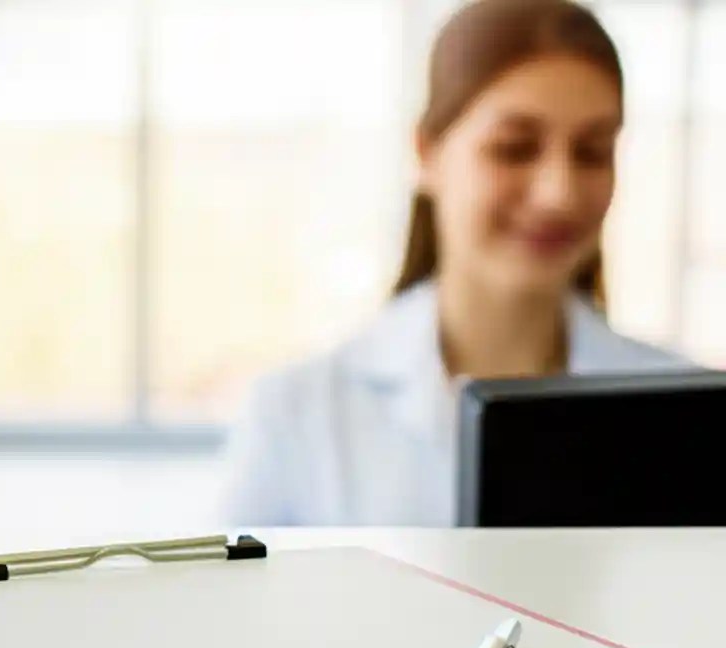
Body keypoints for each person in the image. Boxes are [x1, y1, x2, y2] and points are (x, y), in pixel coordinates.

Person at [221, 0, 695, 528]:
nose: (559, 194)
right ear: (427, 153)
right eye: (514, 149)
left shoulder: (690, 417)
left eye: (591, 152)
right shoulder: (295, 415)